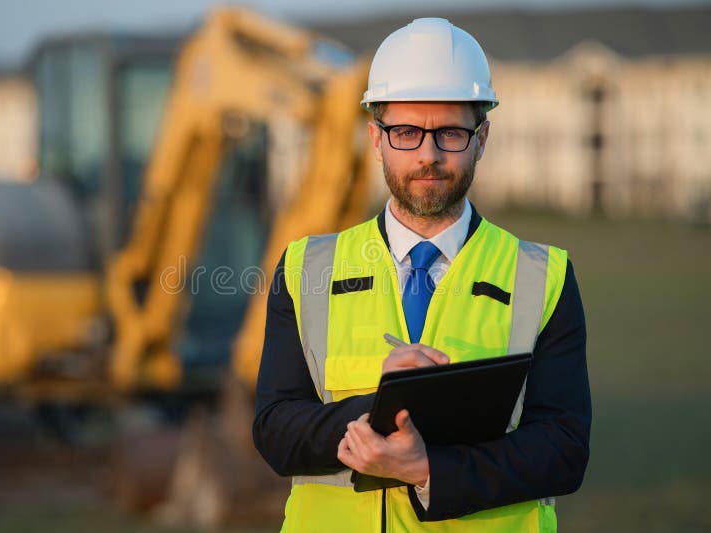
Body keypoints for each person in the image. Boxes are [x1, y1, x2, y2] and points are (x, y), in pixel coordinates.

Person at [253, 17, 590, 533]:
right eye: (406, 132)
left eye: (450, 132)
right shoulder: (305, 269)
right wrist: (379, 410)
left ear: (482, 138)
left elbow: (563, 449)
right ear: (375, 137)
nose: (428, 156)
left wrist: (429, 470)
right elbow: (275, 431)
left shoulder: (544, 278)